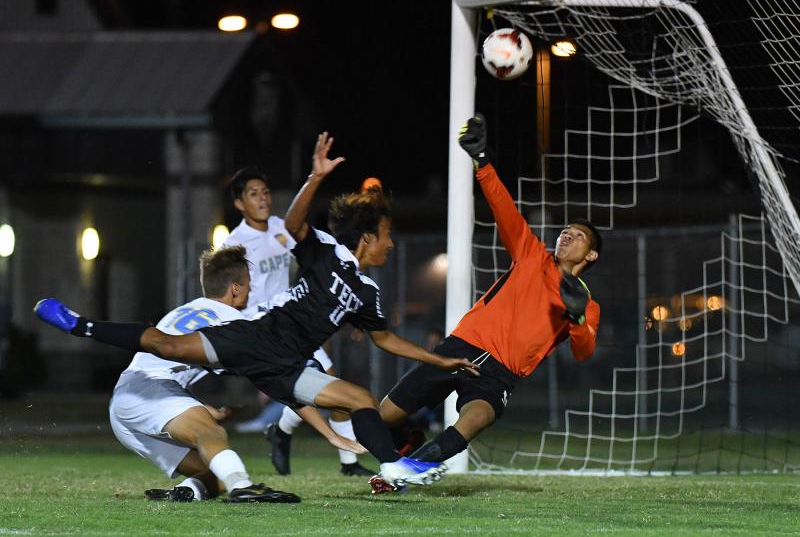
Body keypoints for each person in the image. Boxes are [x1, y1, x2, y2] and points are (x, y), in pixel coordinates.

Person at [34, 132, 479, 489]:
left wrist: (438, 357)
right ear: (366, 238)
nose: (391, 243)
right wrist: (315, 178)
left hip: (286, 364)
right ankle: (80, 324)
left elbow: (385, 339)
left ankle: (393, 468)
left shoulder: (367, 292)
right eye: (385, 235)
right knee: (166, 345)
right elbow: (293, 225)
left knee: (359, 398)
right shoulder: (326, 252)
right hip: (258, 337)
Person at [370, 114, 602, 493]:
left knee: (475, 417)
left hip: (500, 375)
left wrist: (575, 317)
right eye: (564, 231)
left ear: (590, 256)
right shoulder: (531, 255)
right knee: (385, 415)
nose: (566, 237)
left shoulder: (586, 303)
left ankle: (405, 475)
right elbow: (503, 208)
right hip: (460, 348)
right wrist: (482, 161)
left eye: (577, 236)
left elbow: (584, 350)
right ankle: (408, 445)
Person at [108, 245, 364, 503]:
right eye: (249, 283)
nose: (251, 289)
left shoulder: (185, 310)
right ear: (235, 288)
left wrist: (207, 409)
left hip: (124, 401)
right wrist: (329, 433)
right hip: (151, 390)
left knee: (218, 471)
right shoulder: (234, 323)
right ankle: (243, 488)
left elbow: (166, 367)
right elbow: (285, 384)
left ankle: (188, 492)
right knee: (213, 435)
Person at [222, 167, 372, 477]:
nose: (262, 198)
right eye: (253, 194)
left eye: (265, 192)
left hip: (295, 322)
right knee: (325, 388)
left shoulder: (281, 227)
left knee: (330, 388)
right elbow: (227, 291)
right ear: (239, 204)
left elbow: (313, 257)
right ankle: (347, 461)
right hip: (265, 330)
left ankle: (284, 431)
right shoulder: (235, 243)